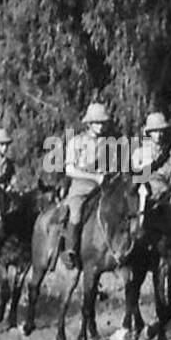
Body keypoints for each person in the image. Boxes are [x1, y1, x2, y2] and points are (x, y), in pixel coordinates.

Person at [62, 102, 116, 268]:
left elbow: (114, 168)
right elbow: (69, 169)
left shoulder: (110, 144)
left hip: (102, 189)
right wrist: (94, 177)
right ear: (89, 123)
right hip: (80, 188)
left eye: (102, 122)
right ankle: (70, 250)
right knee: (76, 213)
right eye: (97, 122)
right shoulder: (76, 142)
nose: (100, 126)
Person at [131, 112, 171, 201]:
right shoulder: (140, 153)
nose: (159, 135)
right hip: (149, 200)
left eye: (161, 131)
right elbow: (135, 179)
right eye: (155, 131)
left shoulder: (170, 152)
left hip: (170, 197)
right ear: (149, 133)